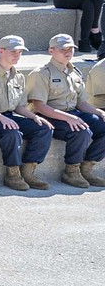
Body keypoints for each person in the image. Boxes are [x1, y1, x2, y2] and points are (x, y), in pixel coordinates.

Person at [0, 34, 53, 191]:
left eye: (20, 52)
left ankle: (28, 171)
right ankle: (12, 174)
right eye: (13, 51)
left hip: (8, 116)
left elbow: (19, 106)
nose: (17, 55)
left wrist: (34, 117)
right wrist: (1, 118)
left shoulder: (18, 76)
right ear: (1, 51)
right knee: (12, 131)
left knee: (44, 128)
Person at [28, 33, 105, 187]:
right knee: (81, 131)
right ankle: (71, 171)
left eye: (70, 49)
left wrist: (100, 112)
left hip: (72, 112)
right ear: (51, 51)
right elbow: (39, 106)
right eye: (63, 49)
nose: (68, 52)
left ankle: (87, 167)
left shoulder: (74, 72)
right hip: (48, 115)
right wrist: (68, 118)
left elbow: (81, 103)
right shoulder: (42, 73)